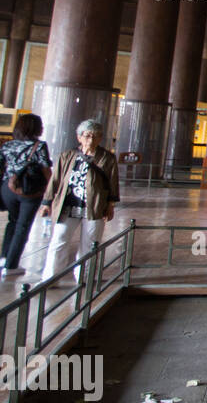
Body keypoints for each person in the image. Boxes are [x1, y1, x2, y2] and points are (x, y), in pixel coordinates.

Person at [39, 119, 120, 284]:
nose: (91, 139)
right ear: (79, 137)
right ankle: (50, 278)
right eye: (88, 135)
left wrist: (111, 205)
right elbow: (55, 180)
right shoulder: (67, 156)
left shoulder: (107, 158)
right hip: (68, 204)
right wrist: (46, 202)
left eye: (96, 136)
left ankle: (84, 277)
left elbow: (113, 182)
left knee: (90, 243)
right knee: (59, 240)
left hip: (94, 206)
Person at [1, 113, 52, 277]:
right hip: (29, 191)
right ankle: (11, 265)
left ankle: (4, 258)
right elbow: (46, 169)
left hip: (7, 188)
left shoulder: (8, 145)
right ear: (36, 128)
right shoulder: (39, 146)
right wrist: (51, 191)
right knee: (22, 226)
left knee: (12, 222)